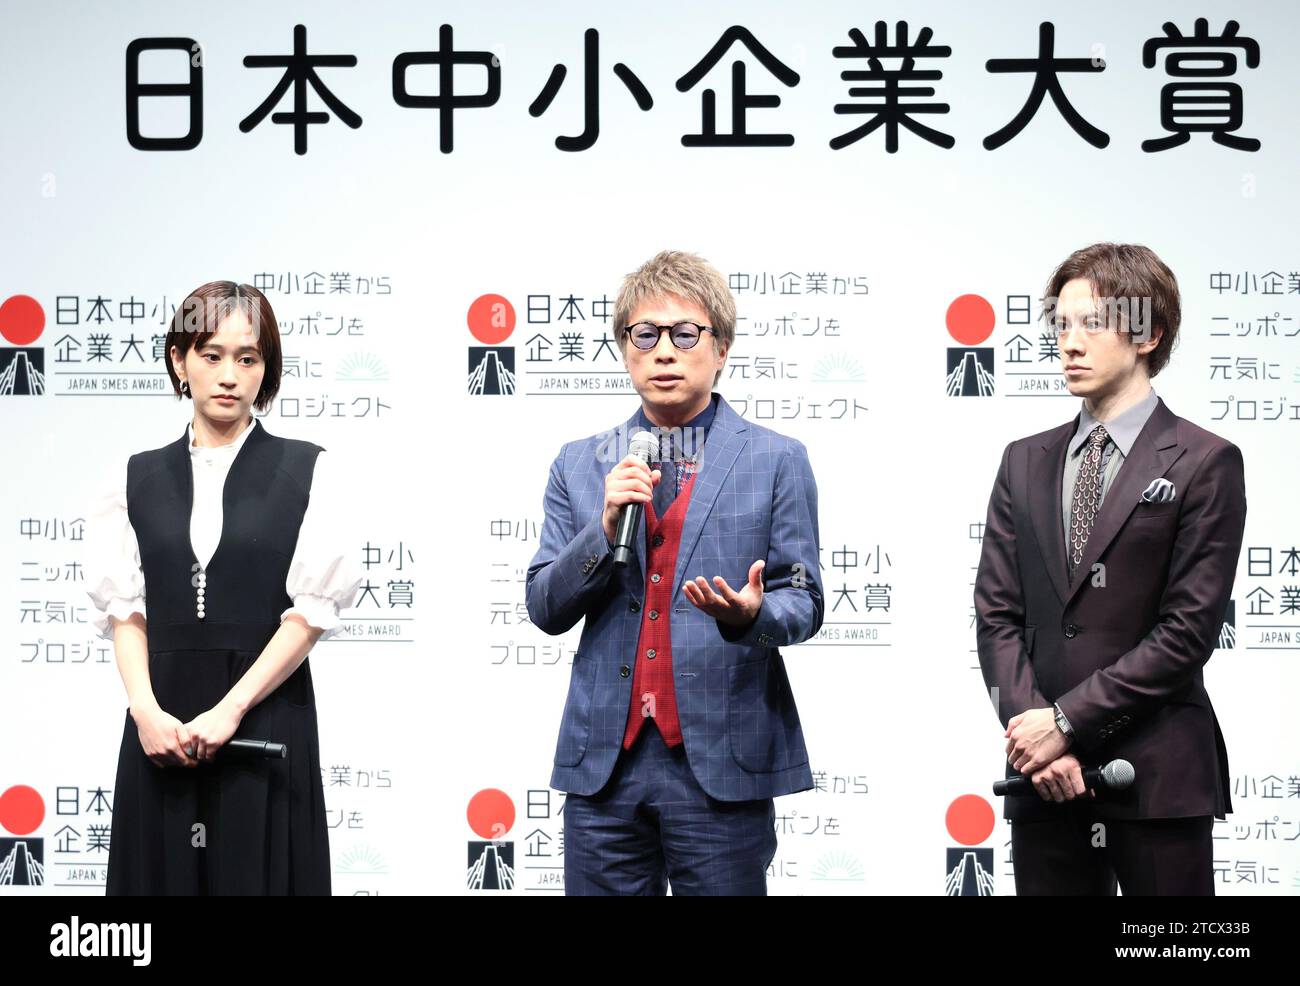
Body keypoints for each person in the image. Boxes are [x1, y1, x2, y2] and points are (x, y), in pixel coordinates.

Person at [525, 250, 823, 895]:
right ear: (624, 350)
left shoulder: (776, 460)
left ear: (721, 350)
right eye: (645, 335)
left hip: (719, 758)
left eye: (686, 334)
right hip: (605, 766)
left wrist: (752, 616)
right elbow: (545, 608)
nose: (665, 351)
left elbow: (804, 601)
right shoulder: (580, 464)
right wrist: (602, 533)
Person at [975, 243, 1246, 895]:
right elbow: (997, 616)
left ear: (1148, 332)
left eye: (1091, 324)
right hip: (1040, 780)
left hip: (1156, 777)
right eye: (1060, 326)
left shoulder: (1204, 462)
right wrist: (1034, 736)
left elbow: (1186, 632)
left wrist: (1065, 723)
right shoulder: (1024, 461)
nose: (1069, 343)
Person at [85, 280, 361, 895]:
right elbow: (124, 611)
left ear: (267, 369)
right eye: (211, 355)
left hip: (265, 718)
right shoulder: (132, 477)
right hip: (159, 723)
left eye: (248, 357)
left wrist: (231, 709)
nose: (230, 375)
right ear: (180, 361)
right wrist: (145, 713)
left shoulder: (310, 468)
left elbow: (309, 614)